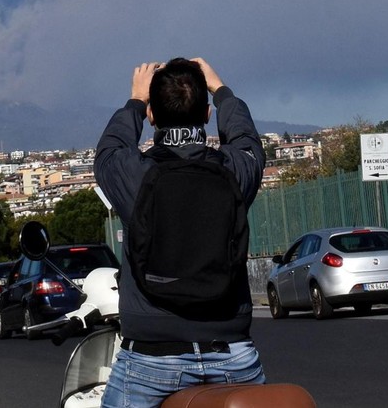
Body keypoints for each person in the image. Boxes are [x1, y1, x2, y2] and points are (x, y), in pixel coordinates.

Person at [94, 57, 267, 407]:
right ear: (207, 115)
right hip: (233, 356)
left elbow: (109, 152)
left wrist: (136, 101)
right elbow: (248, 143)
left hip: (150, 360)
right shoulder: (234, 171)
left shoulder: (135, 178)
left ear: (152, 117)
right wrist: (223, 92)